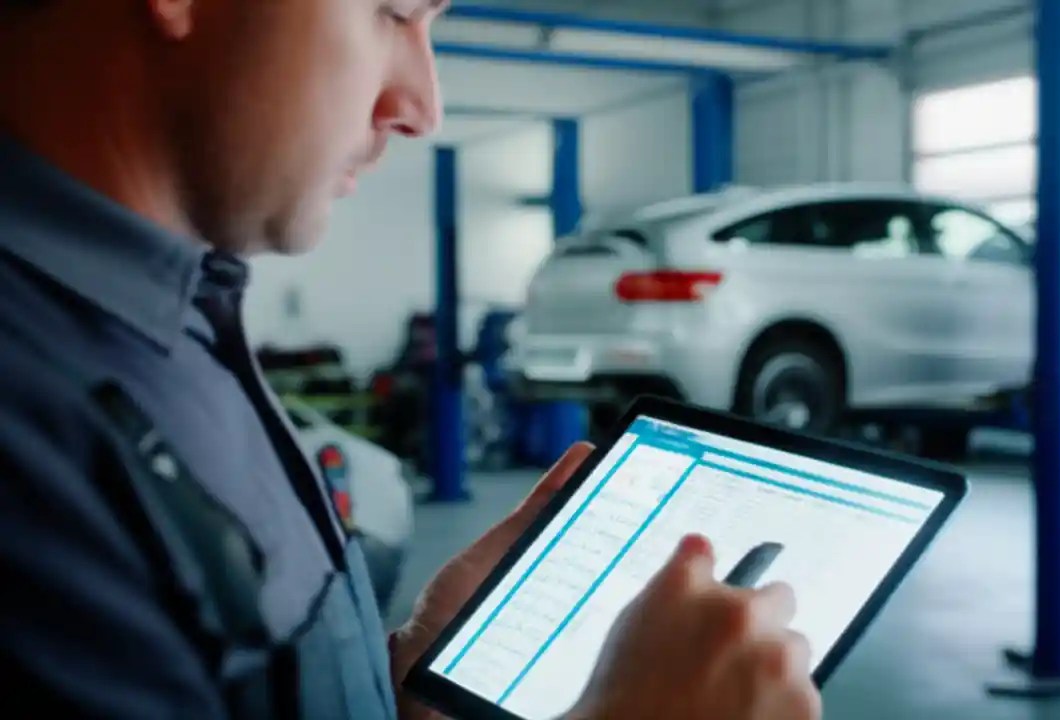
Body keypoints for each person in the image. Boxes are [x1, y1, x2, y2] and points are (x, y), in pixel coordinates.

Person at [0, 2, 822, 719]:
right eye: (392, 12)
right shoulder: (30, 428)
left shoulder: (174, 322)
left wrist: (412, 674)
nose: (422, 107)